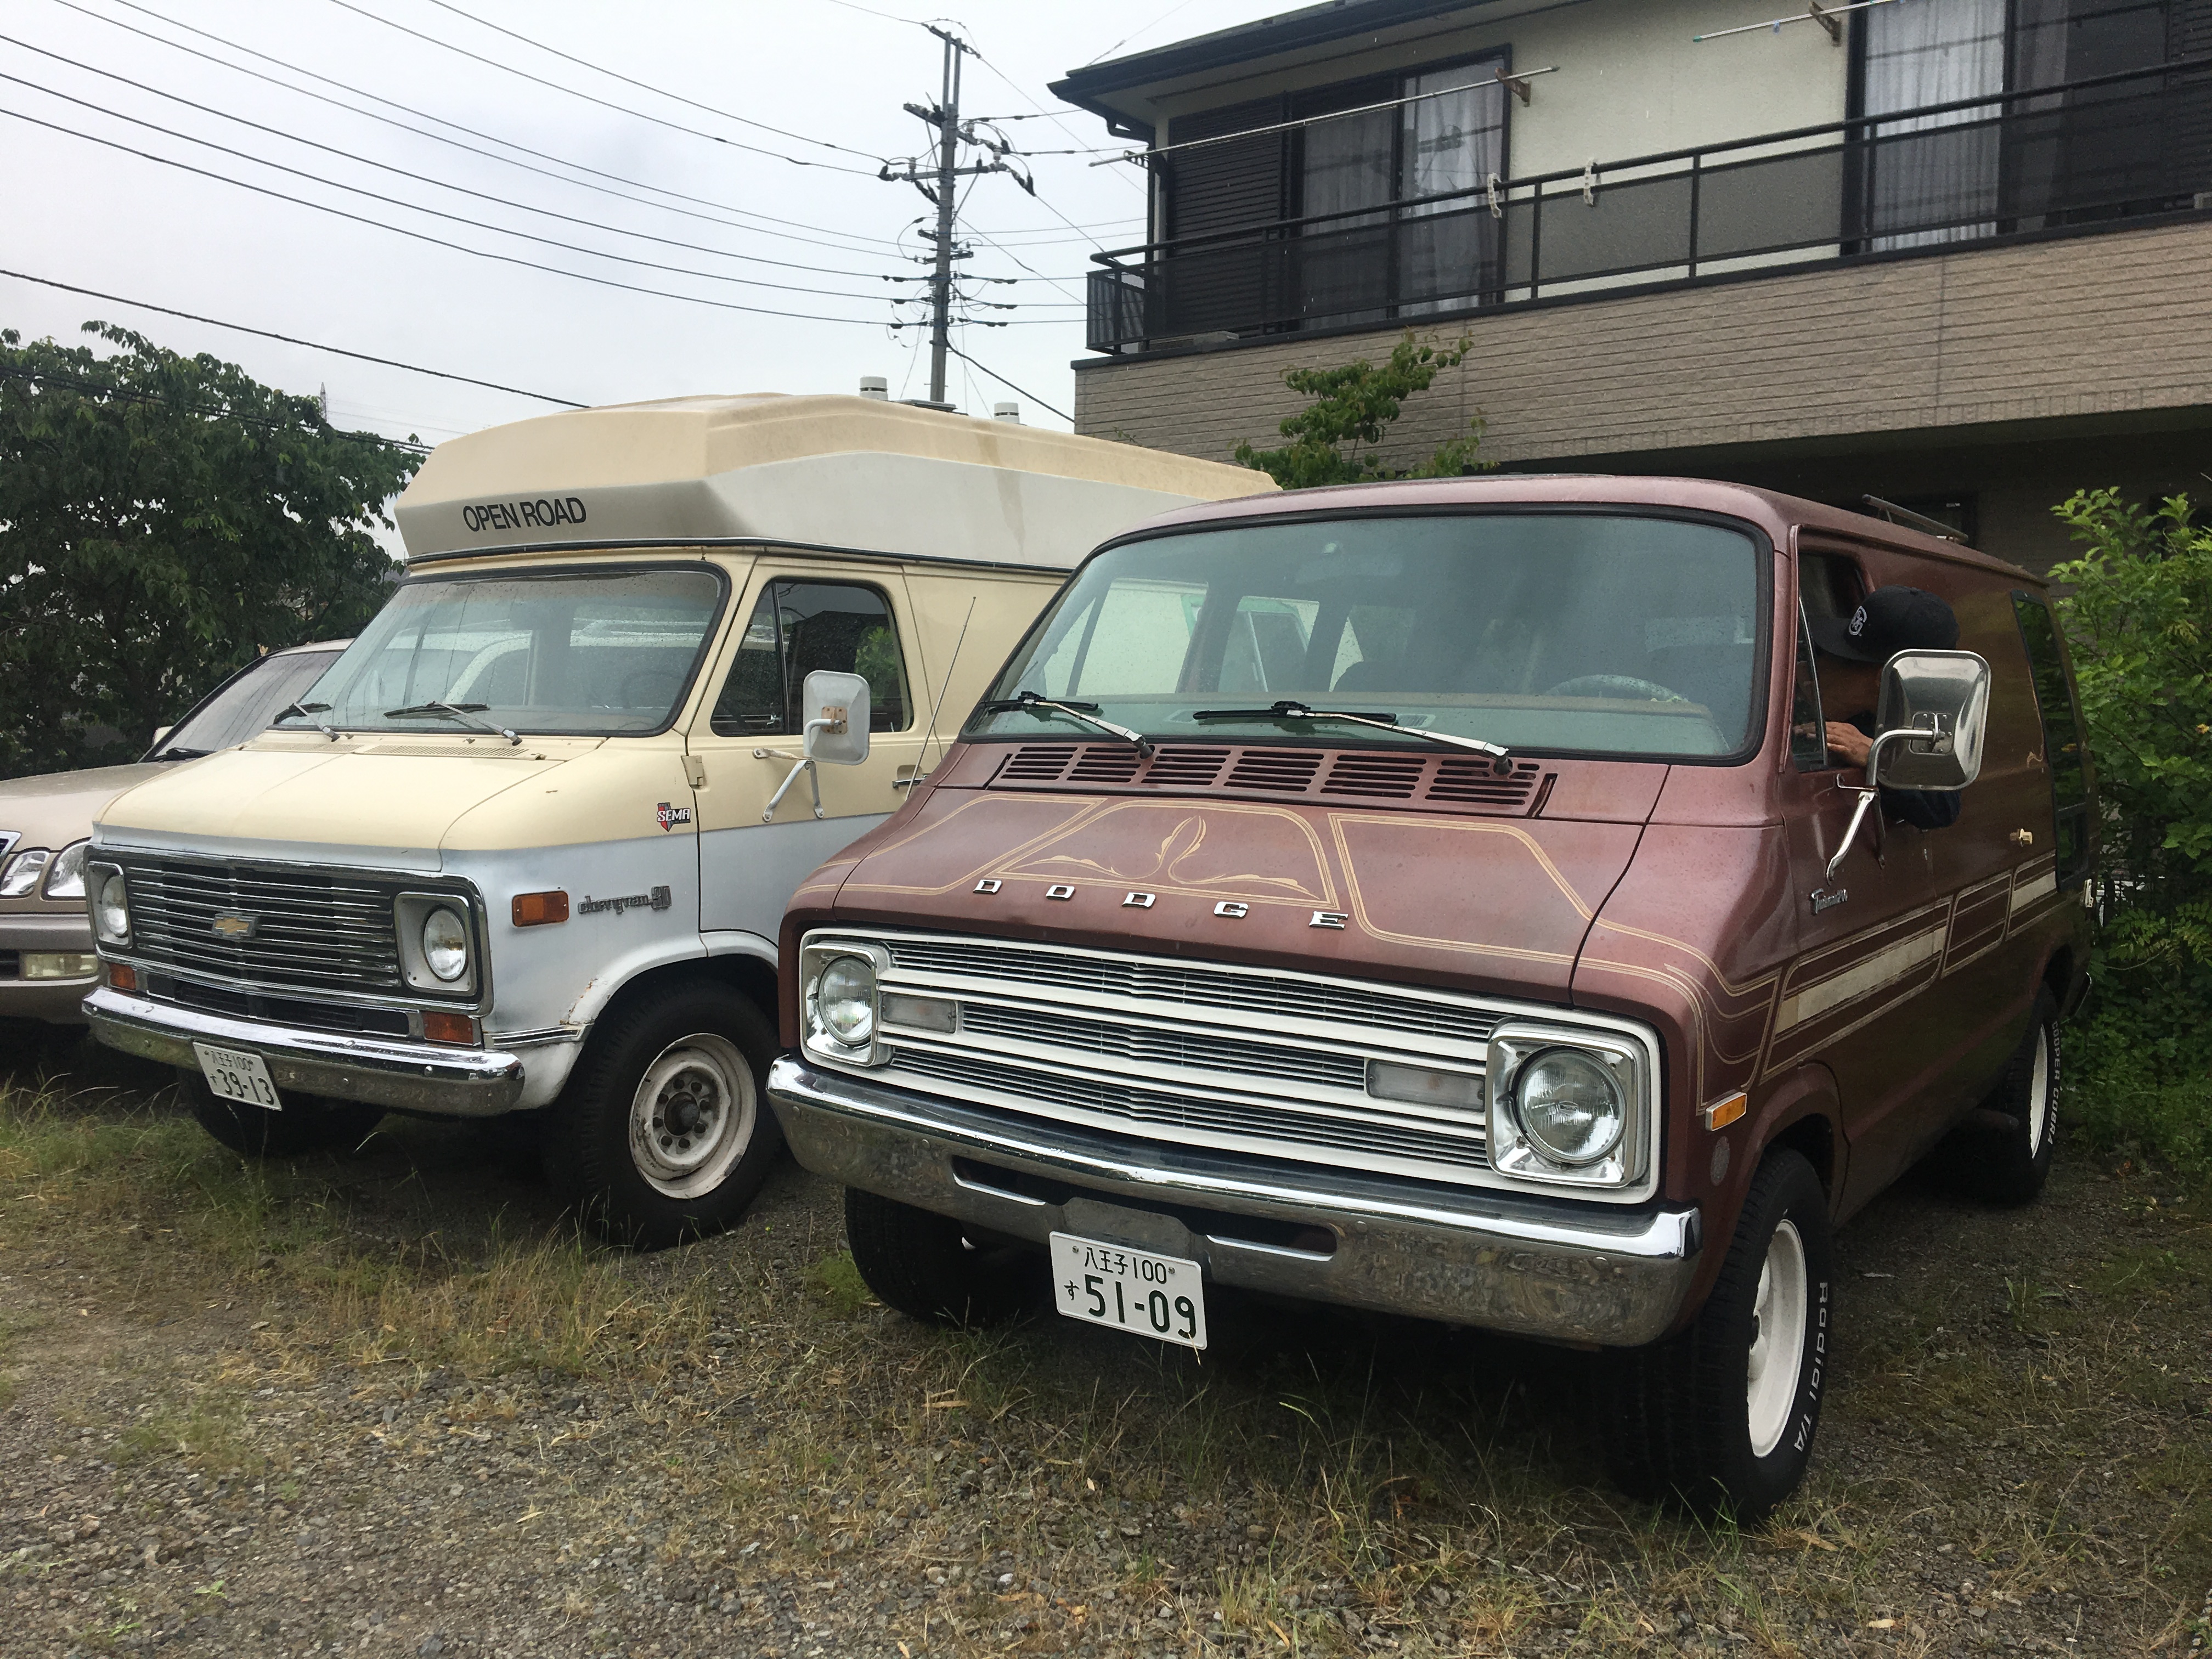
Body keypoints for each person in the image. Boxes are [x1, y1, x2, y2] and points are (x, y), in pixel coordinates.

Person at [1807, 584, 1962, 831]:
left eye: (1839, 657)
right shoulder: (1796, 704)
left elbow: (1942, 806)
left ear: (1883, 678)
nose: (1818, 664)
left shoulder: (1919, 728)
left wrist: (1876, 757)